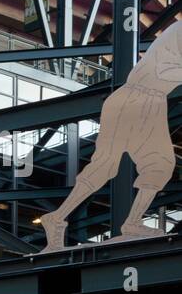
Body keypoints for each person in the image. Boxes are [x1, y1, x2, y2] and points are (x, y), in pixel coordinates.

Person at [42, 19, 182, 250]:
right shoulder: (178, 31)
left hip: (154, 102)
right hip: (132, 98)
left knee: (161, 164)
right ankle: (57, 217)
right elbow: (164, 70)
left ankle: (133, 223)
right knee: (105, 165)